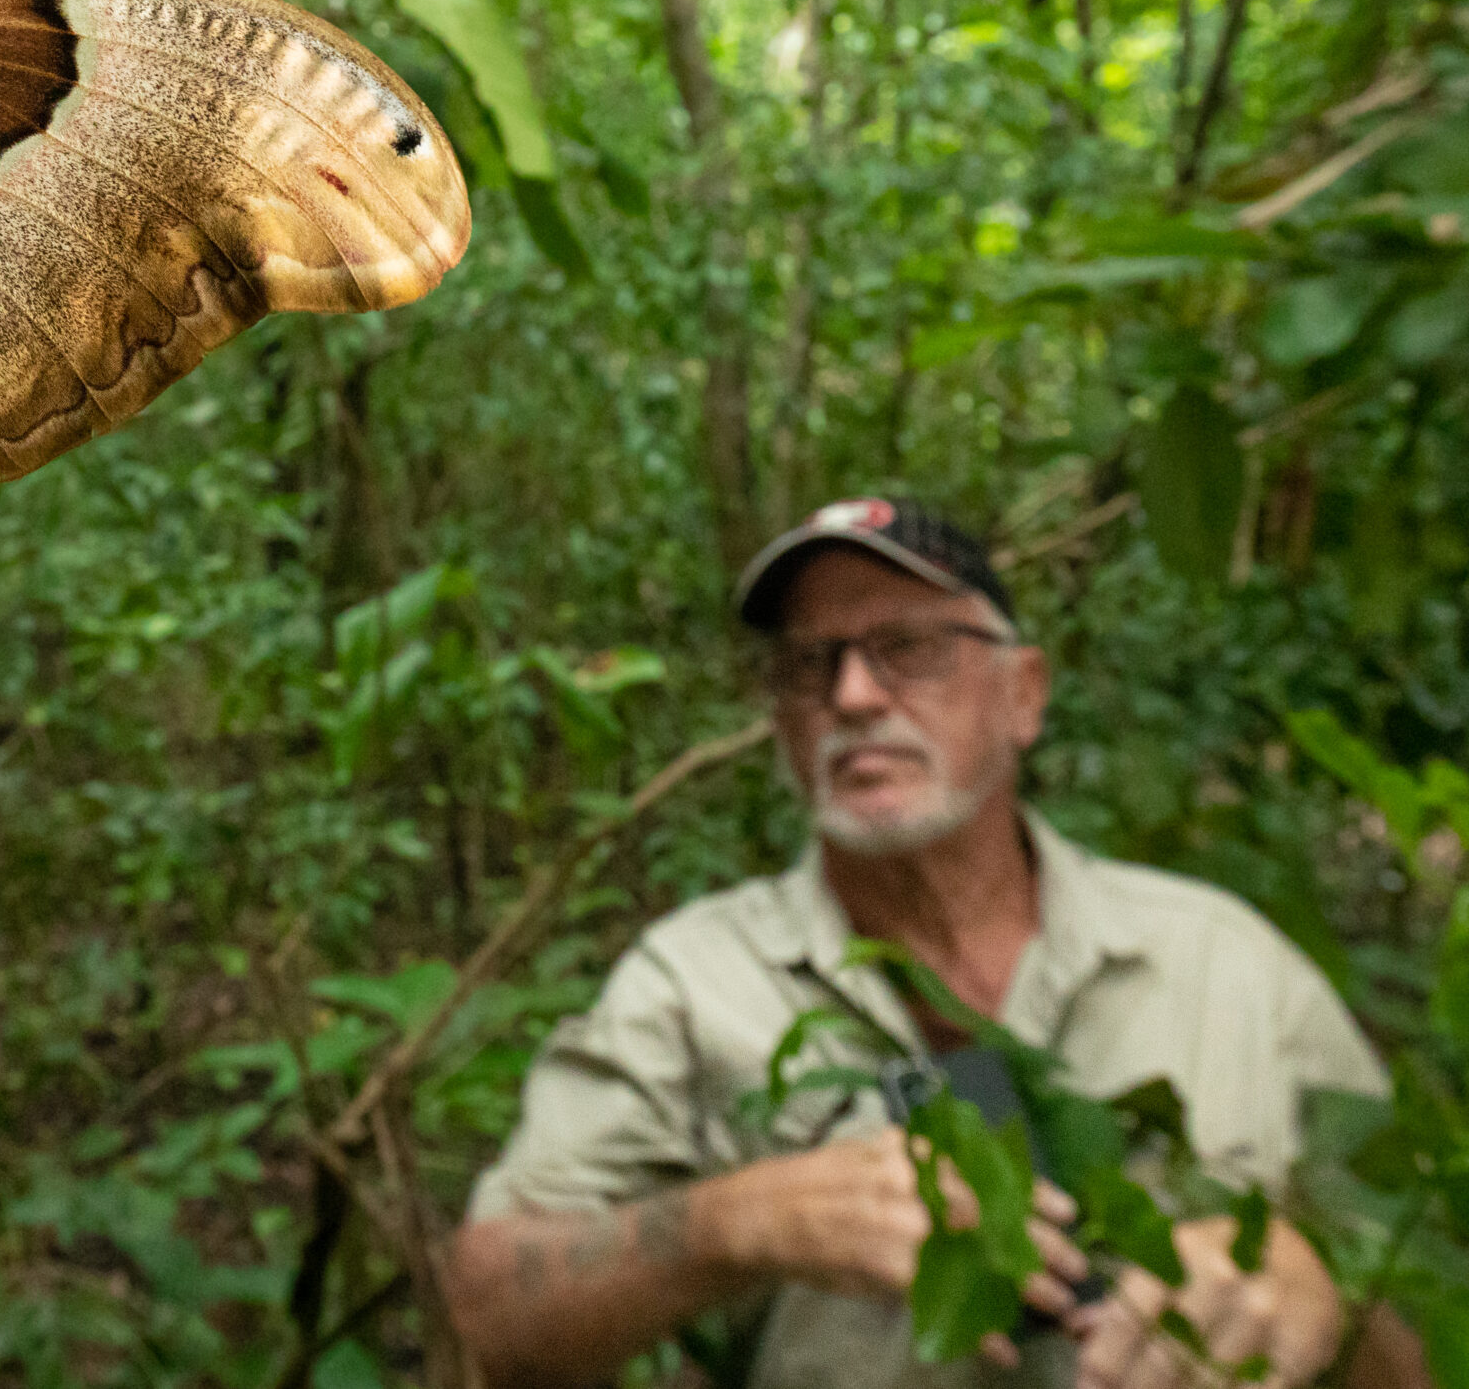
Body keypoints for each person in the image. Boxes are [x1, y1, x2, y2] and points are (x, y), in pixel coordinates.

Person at [447, 498, 1425, 1388]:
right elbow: (487, 1318)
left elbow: (1423, 1308)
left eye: (910, 648)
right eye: (809, 663)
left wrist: (1323, 1294)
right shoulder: (692, 986)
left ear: (1023, 695)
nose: (855, 695)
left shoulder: (1225, 965)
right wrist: (731, 1222)